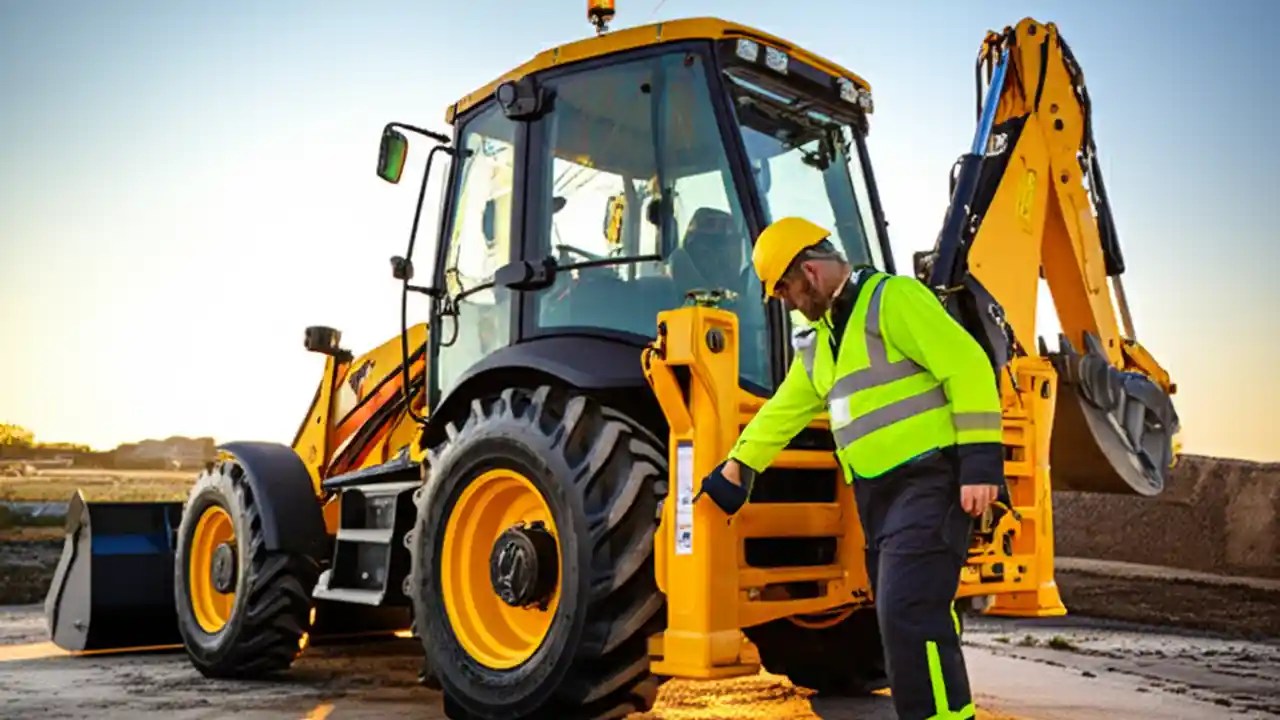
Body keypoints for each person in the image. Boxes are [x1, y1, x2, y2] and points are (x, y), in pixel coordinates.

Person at [695, 216, 1004, 720]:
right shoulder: (819, 340)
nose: (790, 304)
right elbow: (784, 410)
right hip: (878, 499)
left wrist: (980, 465)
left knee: (908, 613)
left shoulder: (894, 299)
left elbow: (966, 365)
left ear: (811, 273)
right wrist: (738, 467)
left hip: (930, 481)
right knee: (907, 615)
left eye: (788, 291)